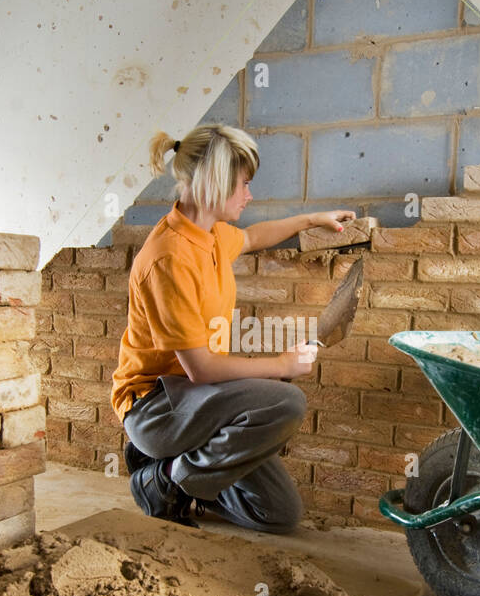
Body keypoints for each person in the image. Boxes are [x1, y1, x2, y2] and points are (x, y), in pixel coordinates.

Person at [110, 124, 354, 532]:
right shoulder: (169, 258)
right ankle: (166, 480)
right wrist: (280, 363)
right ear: (216, 181)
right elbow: (201, 369)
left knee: (277, 515)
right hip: (156, 405)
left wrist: (313, 218)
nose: (249, 195)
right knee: (285, 402)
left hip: (200, 403)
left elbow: (254, 236)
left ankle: (175, 468)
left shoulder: (209, 235)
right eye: (244, 184)